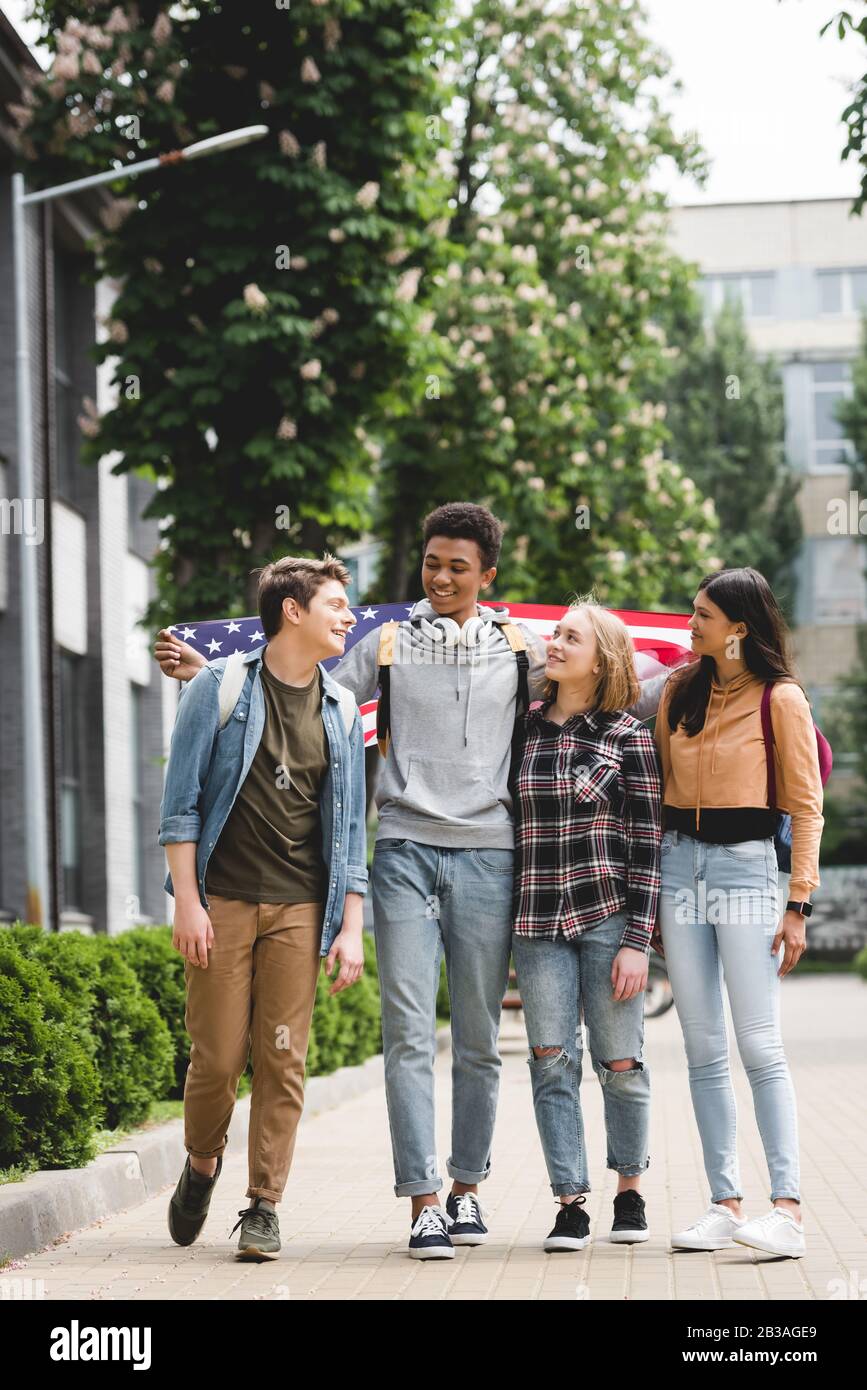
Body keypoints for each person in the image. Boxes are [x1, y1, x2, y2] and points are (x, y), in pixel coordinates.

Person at [154, 503, 678, 1259]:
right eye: (431, 563)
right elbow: (296, 681)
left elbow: (597, 683)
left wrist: (696, 681)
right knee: (403, 1036)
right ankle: (422, 1203)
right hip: (400, 851)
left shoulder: (520, 645)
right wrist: (207, 672)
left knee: (474, 1037)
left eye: (457, 567)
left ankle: (467, 1191)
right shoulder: (387, 643)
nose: (439, 577)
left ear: (486, 575)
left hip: (491, 857)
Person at [158, 555, 368, 1261]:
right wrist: (188, 901)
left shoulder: (340, 709)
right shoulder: (217, 689)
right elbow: (179, 806)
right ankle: (202, 1162)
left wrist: (351, 927)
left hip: (299, 908)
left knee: (282, 1060)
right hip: (222, 904)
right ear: (293, 611)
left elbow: (348, 831)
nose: (349, 616)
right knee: (217, 1058)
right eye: (336, 604)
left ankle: (262, 1205)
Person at [652, 567, 824, 1259]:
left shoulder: (780, 698)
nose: (690, 623)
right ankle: (724, 1202)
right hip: (676, 866)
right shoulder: (677, 690)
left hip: (747, 869)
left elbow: (805, 805)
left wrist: (797, 904)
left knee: (758, 1044)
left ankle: (786, 1209)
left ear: (738, 627)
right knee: (701, 1047)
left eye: (701, 615)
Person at [511, 598, 662, 1251]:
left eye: (570, 637)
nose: (555, 643)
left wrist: (639, 942)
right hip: (536, 918)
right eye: (555, 634)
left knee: (619, 1062)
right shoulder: (522, 729)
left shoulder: (627, 735)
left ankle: (628, 1190)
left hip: (607, 918)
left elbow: (648, 843)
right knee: (550, 1062)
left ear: (600, 659)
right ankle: (570, 1202)